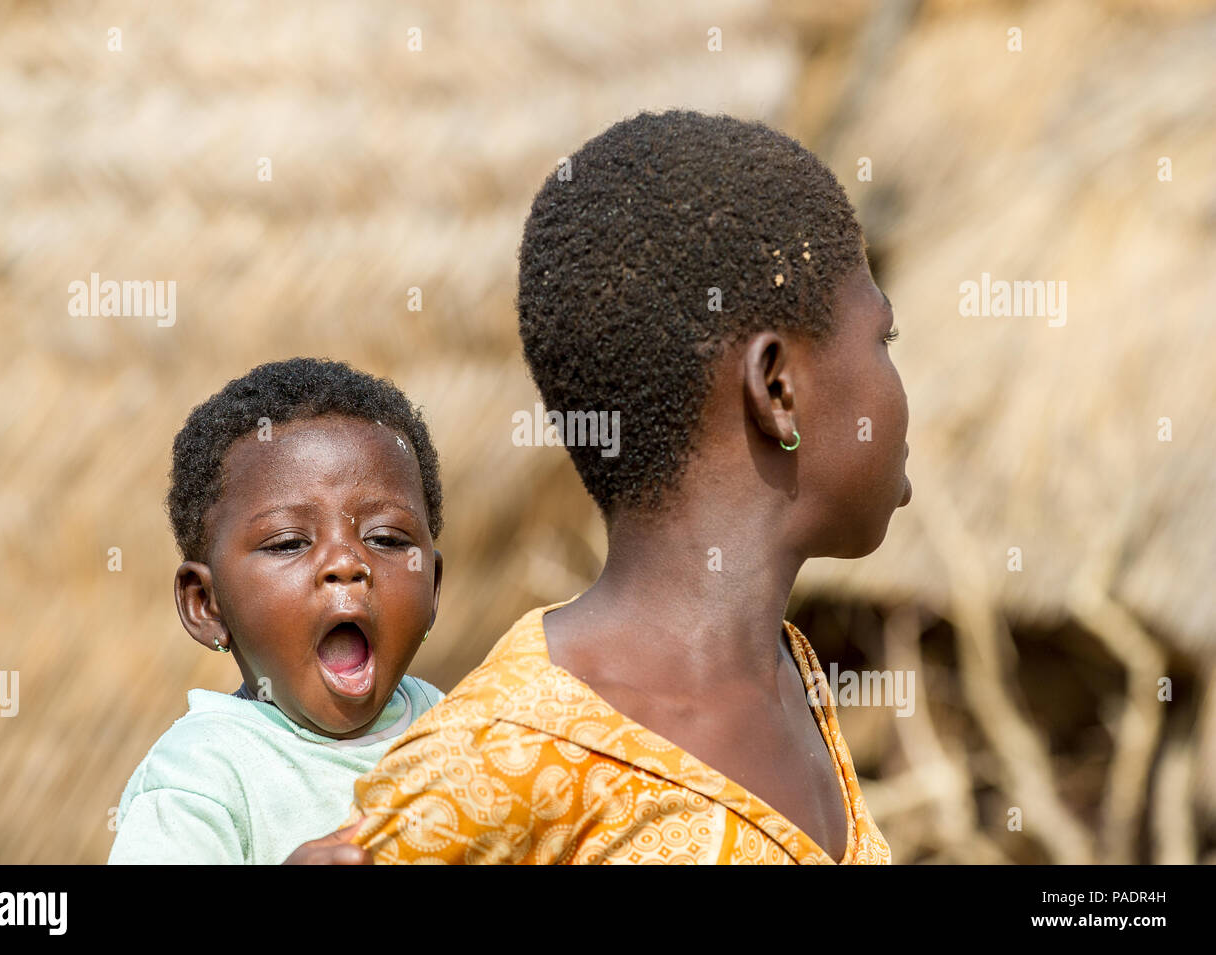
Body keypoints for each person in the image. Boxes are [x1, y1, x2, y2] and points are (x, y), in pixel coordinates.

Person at [337, 109, 908, 863]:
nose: (900, 385)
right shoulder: (499, 754)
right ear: (778, 388)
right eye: (884, 339)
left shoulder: (789, 678)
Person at [108, 357, 443, 864]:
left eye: (386, 538)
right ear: (206, 604)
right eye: (288, 542)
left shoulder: (457, 727)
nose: (347, 563)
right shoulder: (200, 778)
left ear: (433, 586)